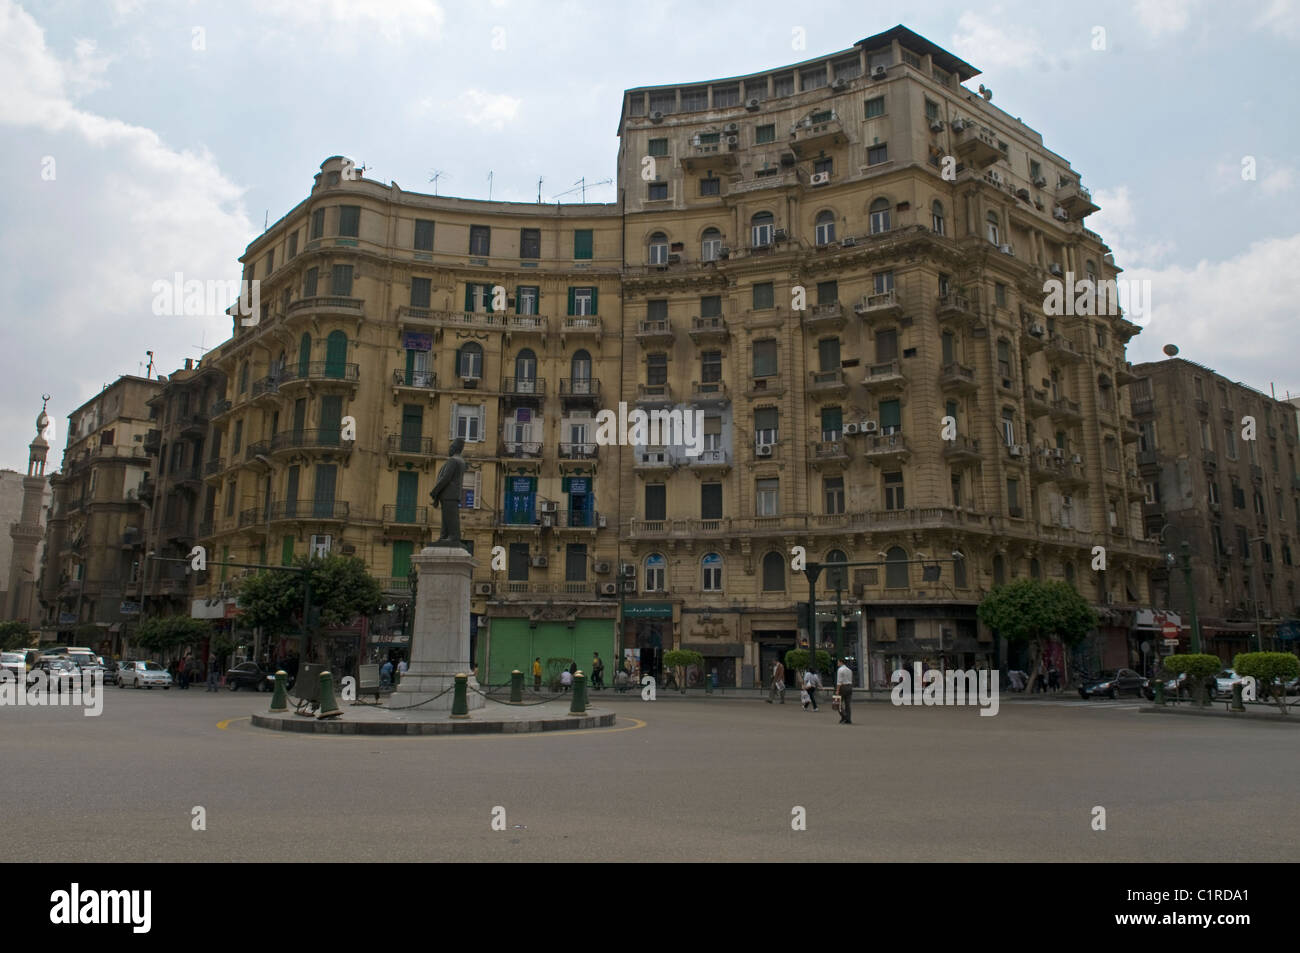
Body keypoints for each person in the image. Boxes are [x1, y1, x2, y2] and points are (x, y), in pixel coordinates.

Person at [836, 657, 853, 724]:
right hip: (849, 686)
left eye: (838, 662)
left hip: (843, 687)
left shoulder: (840, 670)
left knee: (838, 703)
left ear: (841, 662)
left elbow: (839, 681)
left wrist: (837, 690)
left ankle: (844, 715)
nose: (837, 663)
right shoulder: (849, 670)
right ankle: (848, 719)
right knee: (847, 704)